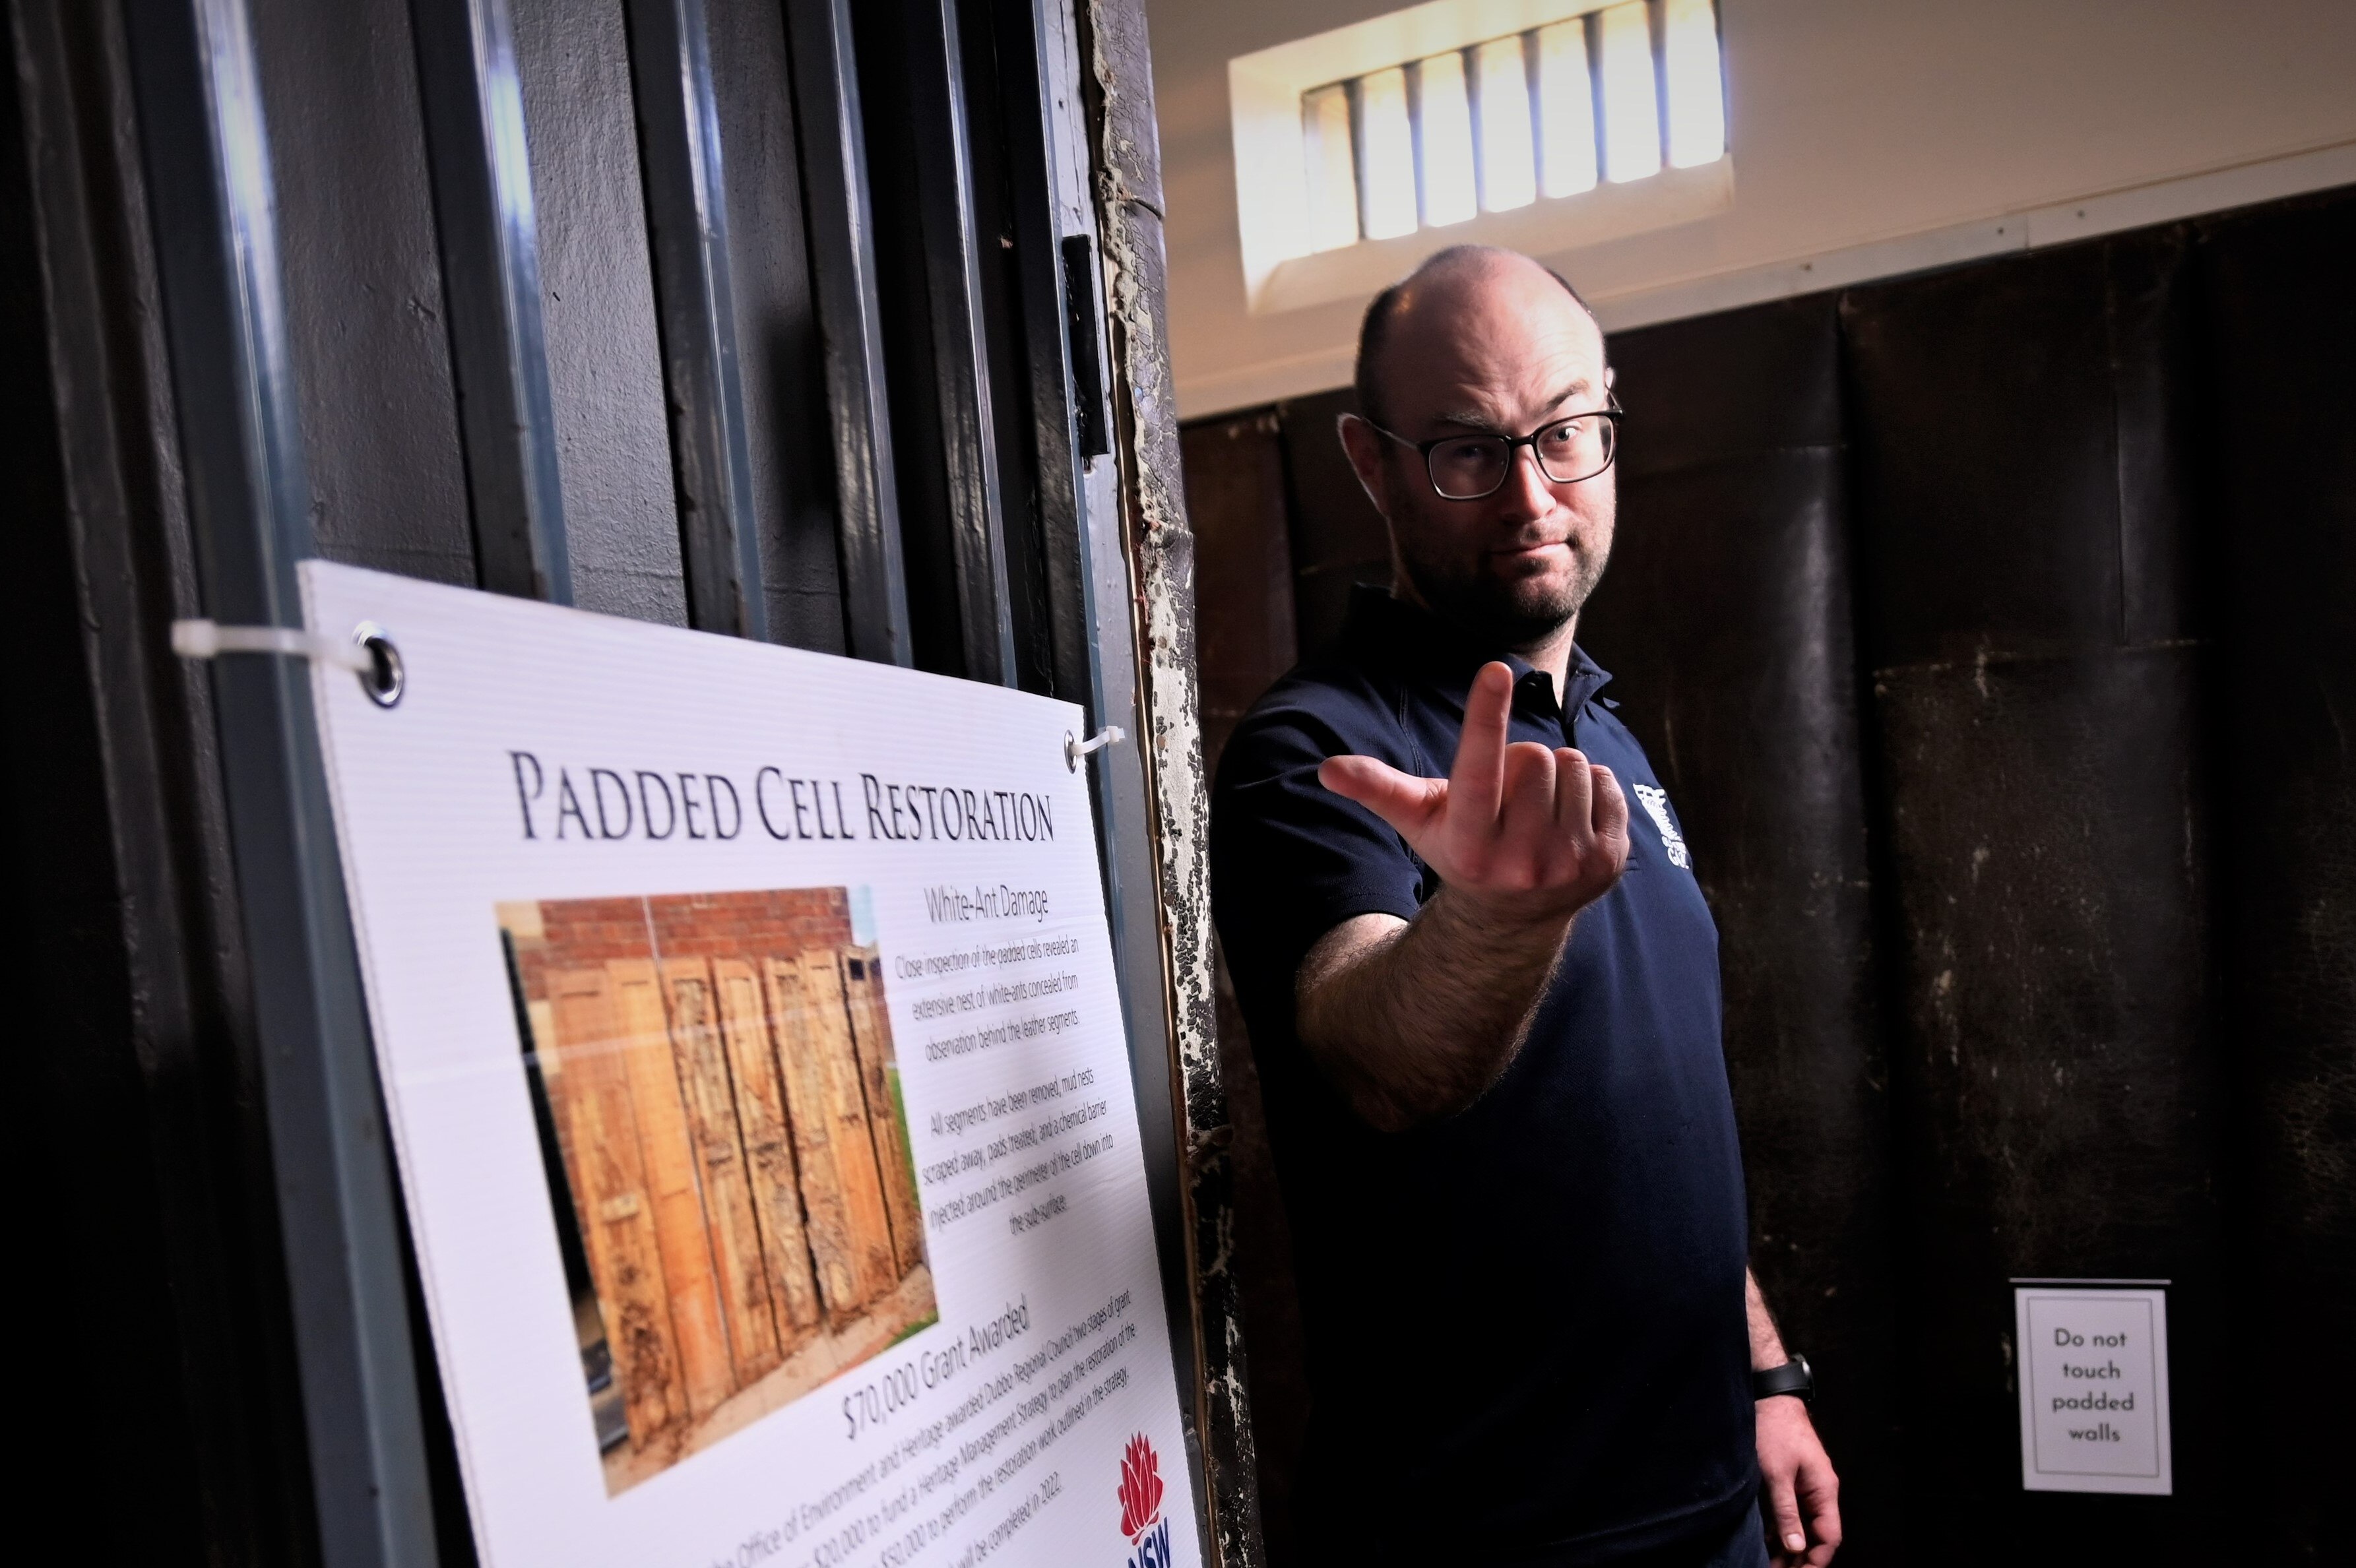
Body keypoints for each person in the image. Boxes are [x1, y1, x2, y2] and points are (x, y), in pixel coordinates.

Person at [1209, 246, 1839, 1567]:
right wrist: (1492, 920)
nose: (1530, 491)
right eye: (1465, 449)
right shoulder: (1318, 746)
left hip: (1718, 1504)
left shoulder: (1601, 723)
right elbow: (1365, 1045)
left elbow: (1647, 1107)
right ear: (1372, 464)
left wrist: (1767, 1376)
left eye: (1566, 432)